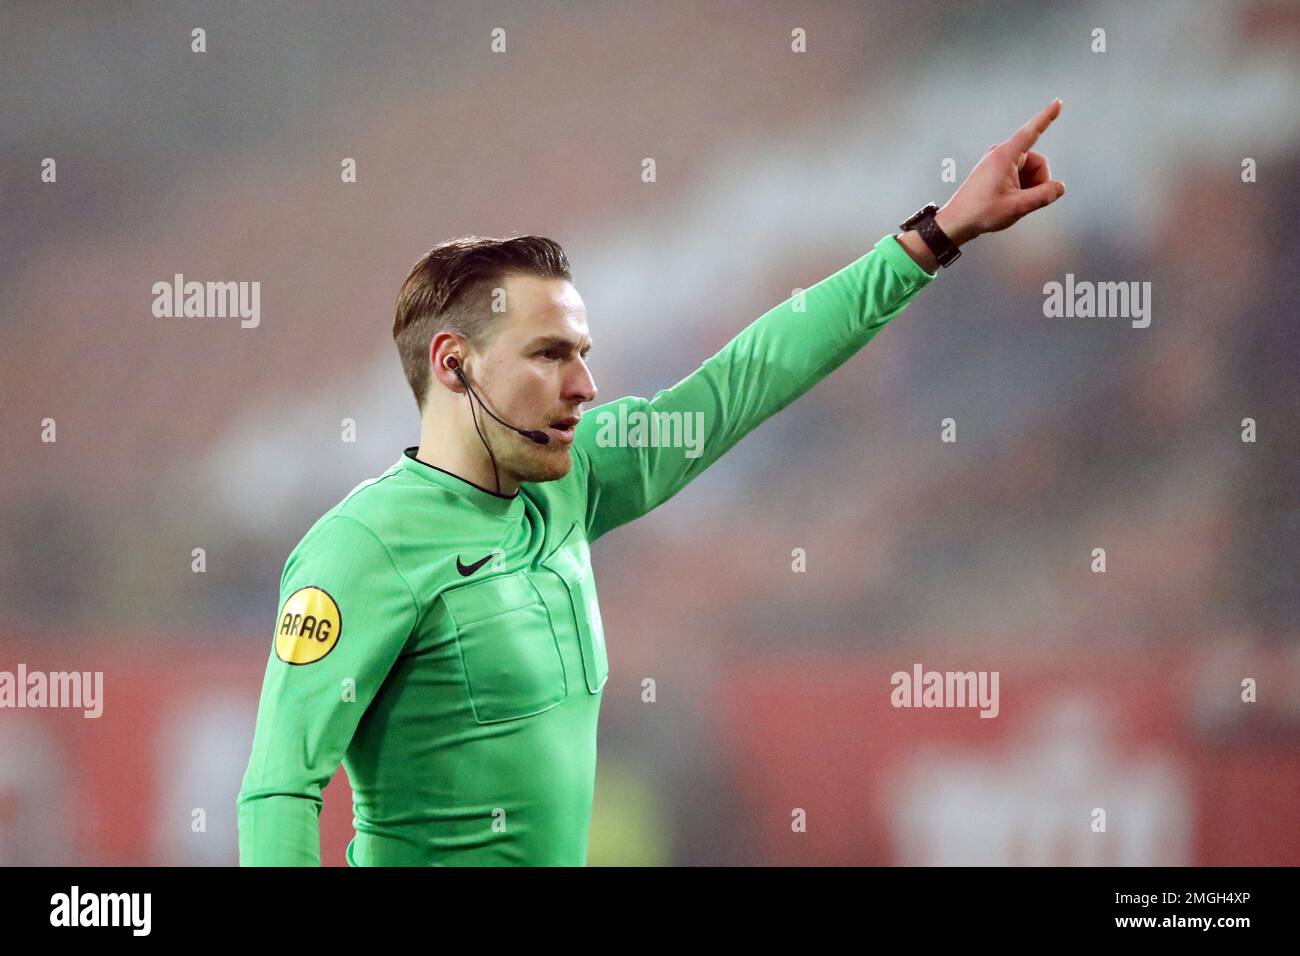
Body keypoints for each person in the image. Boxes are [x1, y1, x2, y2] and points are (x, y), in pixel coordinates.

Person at [237, 100, 1067, 865]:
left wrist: (938, 234)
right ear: (454, 365)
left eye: (583, 355)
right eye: (549, 355)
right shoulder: (362, 549)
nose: (584, 386)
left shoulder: (573, 480)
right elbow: (280, 788)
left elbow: (746, 378)